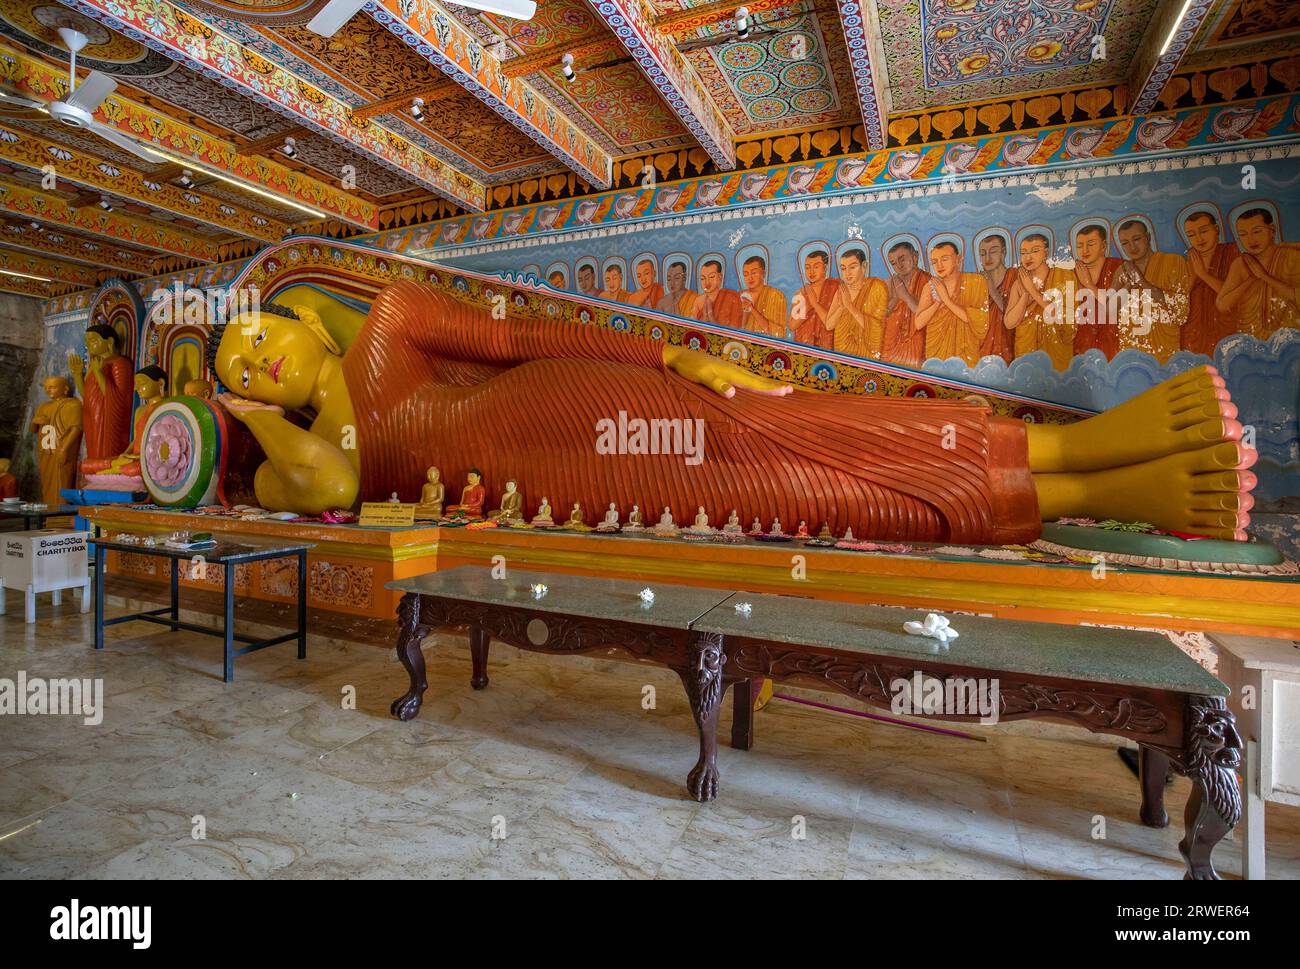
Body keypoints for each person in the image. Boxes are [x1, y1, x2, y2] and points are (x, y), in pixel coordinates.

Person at [211, 282, 1253, 543]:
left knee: (787, 427)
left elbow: (526, 338)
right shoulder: (298, 452)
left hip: (577, 405)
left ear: (300, 316)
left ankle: (1087, 441)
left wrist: (674, 354)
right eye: (236, 368)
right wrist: (246, 417)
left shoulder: (391, 321)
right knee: (797, 497)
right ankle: (1103, 495)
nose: (254, 358)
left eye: (255, 334)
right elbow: (335, 490)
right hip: (556, 486)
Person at [1216, 208, 1300, 340]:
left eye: (1257, 231)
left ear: (1272, 229)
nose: (1251, 240)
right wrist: (1250, 280)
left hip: (1289, 340)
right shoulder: (1241, 264)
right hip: (1251, 340)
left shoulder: (1292, 257)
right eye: (1243, 234)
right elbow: (1222, 305)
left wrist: (1265, 277)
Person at [1114, 219, 1188, 362]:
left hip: (1165, 348)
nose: (1132, 247)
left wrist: (1142, 282)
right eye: (1125, 243)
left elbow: (1180, 311)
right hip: (1131, 348)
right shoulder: (1122, 270)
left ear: (1148, 237)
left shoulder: (1174, 261)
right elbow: (1108, 311)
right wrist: (1127, 287)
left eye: (1136, 239)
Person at [1004, 234, 1073, 370]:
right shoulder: (1019, 284)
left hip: (1056, 352)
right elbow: (1009, 323)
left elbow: (1065, 318)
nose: (1028, 257)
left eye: (1035, 251)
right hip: (1026, 352)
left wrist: (1033, 291)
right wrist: (1025, 293)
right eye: (1024, 253)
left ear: (1046, 253)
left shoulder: (1063, 276)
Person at [914, 241, 989, 363]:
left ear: (958, 259)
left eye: (944, 259)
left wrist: (947, 300)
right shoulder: (931, 287)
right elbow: (918, 323)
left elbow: (978, 321)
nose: (939, 265)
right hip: (937, 351)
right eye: (934, 262)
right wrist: (938, 303)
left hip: (965, 351)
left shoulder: (975, 281)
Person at [68, 323, 133, 462]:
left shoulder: (120, 363)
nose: (88, 346)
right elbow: (88, 396)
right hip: (93, 417)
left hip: (108, 419)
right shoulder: (94, 366)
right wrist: (78, 375)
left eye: (92, 341)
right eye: (87, 342)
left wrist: (98, 373)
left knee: (104, 459)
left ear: (109, 341)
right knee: (93, 456)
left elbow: (118, 399)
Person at [1182, 211, 1239, 355]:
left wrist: (1203, 274)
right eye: (1191, 235)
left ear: (1217, 230)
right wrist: (1193, 276)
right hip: (1194, 332)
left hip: (1225, 328)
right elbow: (1180, 302)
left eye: (1204, 231)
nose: (1199, 238)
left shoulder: (1232, 252)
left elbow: (1233, 296)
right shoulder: (1188, 261)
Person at [1071, 224, 1124, 358]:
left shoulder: (1120, 268)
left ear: (1103, 245)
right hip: (1082, 345)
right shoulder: (1072, 275)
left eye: (1091, 244)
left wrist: (1089, 285)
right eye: (1079, 246)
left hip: (1115, 342)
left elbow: (1116, 307)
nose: (1085, 250)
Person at [28, 375, 82, 505]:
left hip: (61, 449)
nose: (48, 390)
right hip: (46, 451)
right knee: (47, 483)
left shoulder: (73, 404)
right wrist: (35, 421)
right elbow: (33, 430)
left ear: (65, 389)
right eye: (46, 388)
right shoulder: (43, 406)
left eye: (52, 387)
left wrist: (64, 448)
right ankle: (49, 511)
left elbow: (76, 429)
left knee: (62, 482)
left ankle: (60, 514)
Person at [826, 248, 887, 358]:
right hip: (842, 351)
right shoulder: (842, 291)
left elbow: (877, 328)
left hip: (865, 355)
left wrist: (849, 306)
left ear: (863, 266)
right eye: (843, 268)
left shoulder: (877, 287)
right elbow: (829, 325)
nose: (847, 273)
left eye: (853, 267)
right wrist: (841, 307)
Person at [880, 243, 929, 367]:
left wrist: (905, 295)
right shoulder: (891, 282)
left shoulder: (927, 281)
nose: (899, 266)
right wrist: (895, 298)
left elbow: (924, 315)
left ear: (915, 257)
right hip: (891, 339)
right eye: (894, 263)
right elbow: (881, 314)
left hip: (916, 339)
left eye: (902, 259)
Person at [976, 234, 1016, 363]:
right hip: (983, 347)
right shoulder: (978, 281)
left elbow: (1016, 316)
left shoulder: (1015, 276)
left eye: (993, 251)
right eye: (982, 254)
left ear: (1003, 252)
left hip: (1007, 344)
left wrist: (993, 292)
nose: (987, 258)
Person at [788, 250, 840, 349]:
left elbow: (831, 323)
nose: (811, 271)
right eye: (807, 268)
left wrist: (815, 303)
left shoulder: (835, 287)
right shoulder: (802, 292)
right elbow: (792, 325)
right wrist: (807, 306)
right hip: (805, 345)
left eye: (816, 267)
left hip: (828, 345)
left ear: (825, 268)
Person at [739, 255, 787, 338]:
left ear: (763, 273)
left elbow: (779, 333)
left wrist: (752, 309)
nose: (750, 278)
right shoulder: (739, 296)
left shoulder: (775, 295)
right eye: (746, 274)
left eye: (754, 273)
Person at [694, 259, 743, 326]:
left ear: (720, 277)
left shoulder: (732, 297)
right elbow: (692, 324)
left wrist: (711, 319)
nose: (707, 282)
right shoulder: (698, 300)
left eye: (711, 277)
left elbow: (736, 328)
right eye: (702, 278)